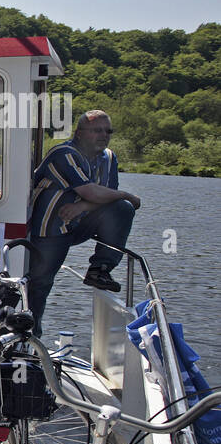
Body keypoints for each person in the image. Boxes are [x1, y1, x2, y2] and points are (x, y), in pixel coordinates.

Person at [26, 109, 140, 335]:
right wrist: (126, 194)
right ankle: (29, 338)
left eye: (108, 131)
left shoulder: (108, 157)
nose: (104, 135)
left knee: (121, 209)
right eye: (96, 130)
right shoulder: (64, 154)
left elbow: (107, 194)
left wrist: (83, 206)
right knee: (39, 284)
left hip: (79, 223)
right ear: (79, 133)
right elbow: (93, 192)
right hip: (49, 227)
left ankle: (100, 269)